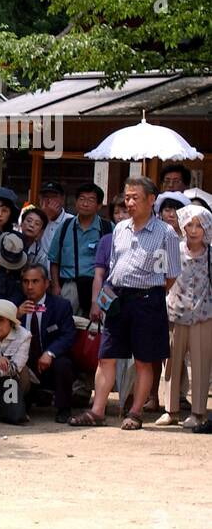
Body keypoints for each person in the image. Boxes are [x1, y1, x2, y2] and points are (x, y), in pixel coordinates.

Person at [70, 177, 181, 430]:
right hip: (117, 298)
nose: (129, 203)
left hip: (147, 300)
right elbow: (111, 268)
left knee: (143, 360)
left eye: (135, 198)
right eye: (127, 197)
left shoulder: (166, 234)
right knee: (106, 357)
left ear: (151, 200)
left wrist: (149, 294)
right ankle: (97, 410)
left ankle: (135, 411)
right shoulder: (119, 228)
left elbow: (171, 275)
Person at [157, 205, 212, 429]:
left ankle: (199, 413)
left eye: (199, 225)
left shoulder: (211, 253)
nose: (194, 230)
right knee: (171, 363)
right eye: (190, 224)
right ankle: (171, 410)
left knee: (201, 364)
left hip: (204, 314)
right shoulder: (173, 250)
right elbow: (159, 277)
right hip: (174, 312)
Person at [15, 264, 78, 423]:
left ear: (47, 283)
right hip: (25, 361)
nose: (29, 286)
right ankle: (22, 403)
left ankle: (64, 408)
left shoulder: (60, 306)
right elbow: (1, 332)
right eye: (26, 281)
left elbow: (69, 335)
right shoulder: (15, 304)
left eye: (35, 281)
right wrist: (15, 315)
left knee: (63, 363)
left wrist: (50, 353)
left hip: (50, 359)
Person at [47, 182, 108, 315]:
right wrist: (56, 286)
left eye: (91, 200)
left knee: (95, 331)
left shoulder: (107, 228)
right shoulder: (64, 227)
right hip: (70, 286)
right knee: (68, 326)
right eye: (81, 199)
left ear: (99, 205)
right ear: (76, 202)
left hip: (98, 287)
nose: (85, 204)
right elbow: (54, 260)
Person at [19, 206, 52, 275]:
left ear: (41, 231)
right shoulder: (11, 242)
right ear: (21, 224)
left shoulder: (42, 254)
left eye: (37, 224)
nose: (31, 225)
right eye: (29, 221)